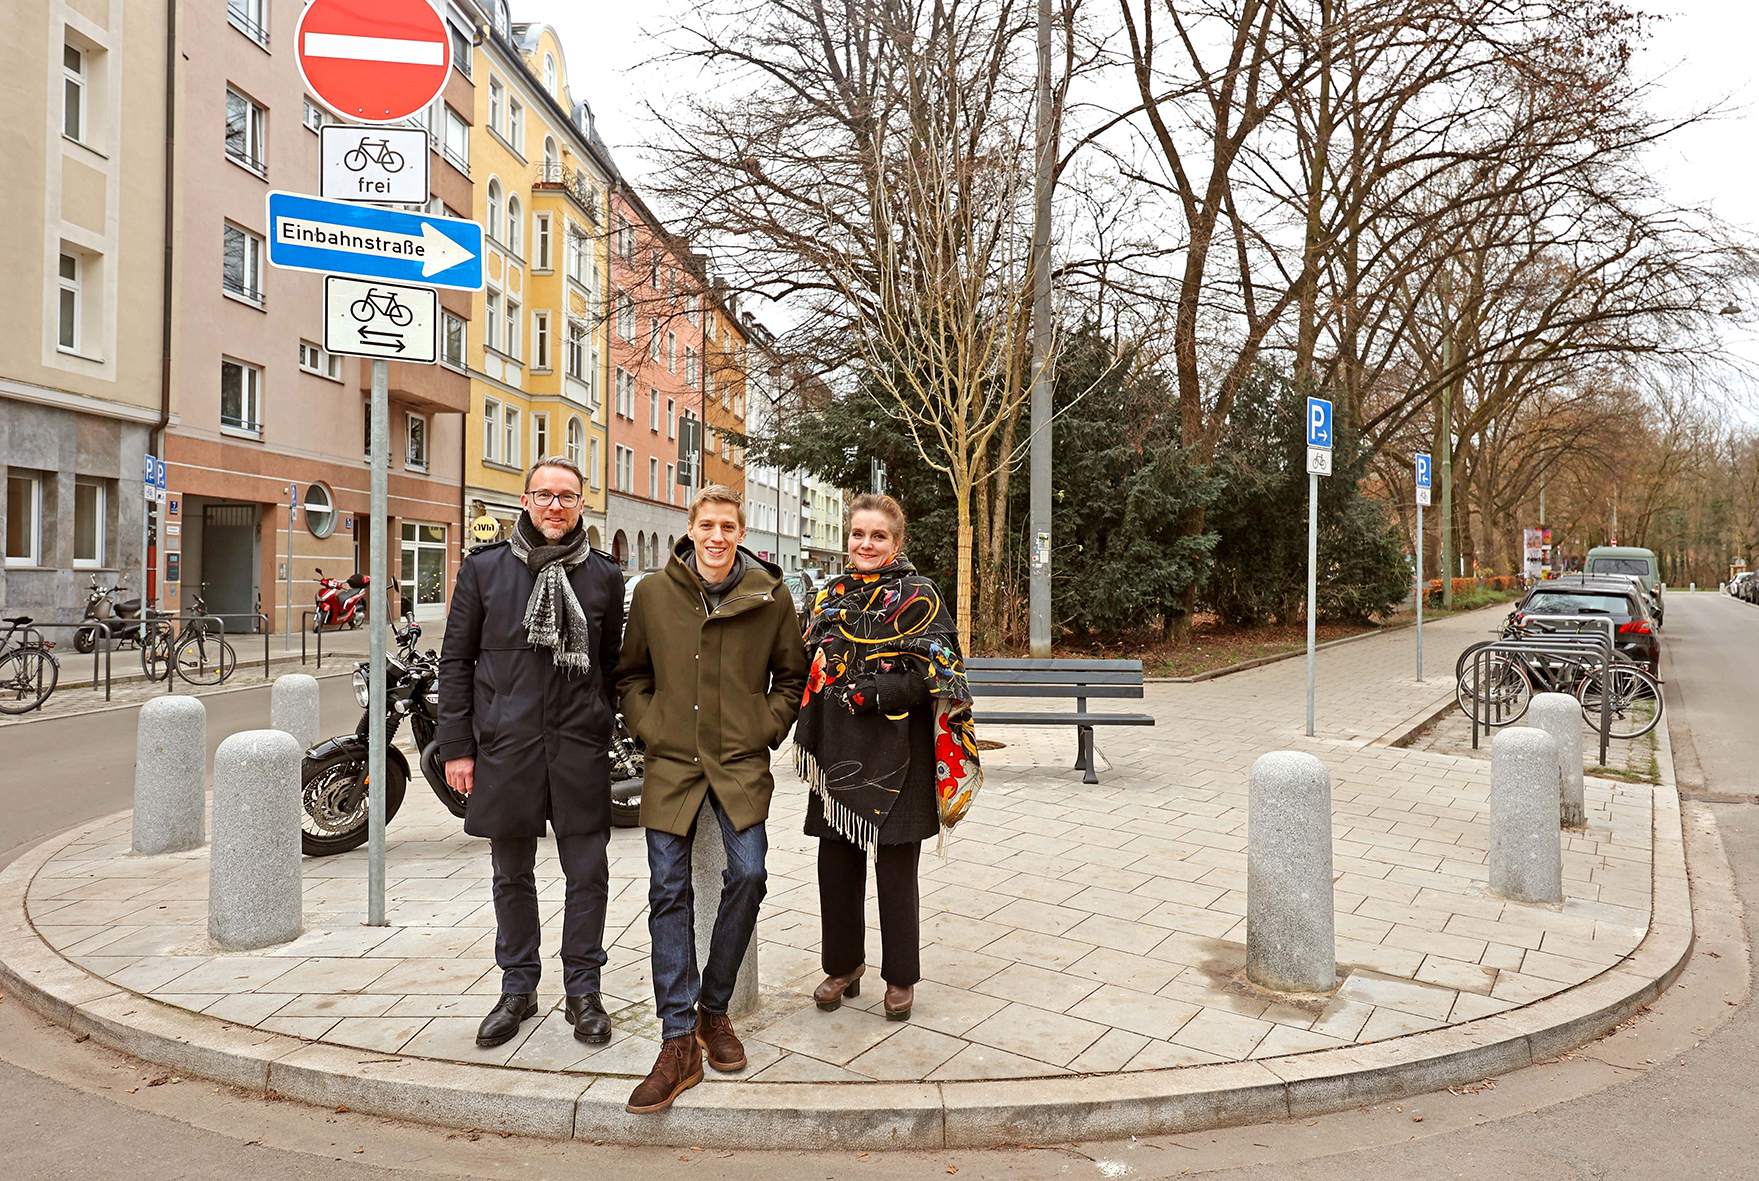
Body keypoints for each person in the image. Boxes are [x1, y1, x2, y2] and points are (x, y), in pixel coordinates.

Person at [616, 485, 809, 1114]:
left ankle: (713, 1008)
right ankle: (677, 1040)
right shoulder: (654, 593)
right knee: (667, 890)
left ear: (741, 532)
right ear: (691, 529)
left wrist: (764, 726)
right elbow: (631, 675)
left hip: (739, 761)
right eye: (708, 526)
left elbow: (793, 677)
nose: (717, 537)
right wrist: (652, 726)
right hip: (673, 762)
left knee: (749, 874)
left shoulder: (770, 596)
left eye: (728, 526)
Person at [433, 457, 625, 1050]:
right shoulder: (484, 570)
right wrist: (458, 747)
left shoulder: (603, 576)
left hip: (578, 747)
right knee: (510, 873)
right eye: (543, 495)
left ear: (582, 504)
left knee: (587, 874)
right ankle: (518, 987)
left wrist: (600, 722)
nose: (554, 506)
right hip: (506, 745)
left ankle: (583, 990)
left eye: (566, 496)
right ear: (525, 501)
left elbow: (612, 666)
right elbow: (456, 662)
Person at [796, 494, 983, 1022]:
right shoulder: (828, 595)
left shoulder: (921, 596)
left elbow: (944, 675)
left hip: (900, 756)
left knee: (897, 875)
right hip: (836, 752)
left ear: (896, 542)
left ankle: (900, 977)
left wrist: (881, 691)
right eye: (858, 534)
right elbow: (807, 661)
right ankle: (843, 966)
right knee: (835, 868)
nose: (866, 544)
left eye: (878, 536)